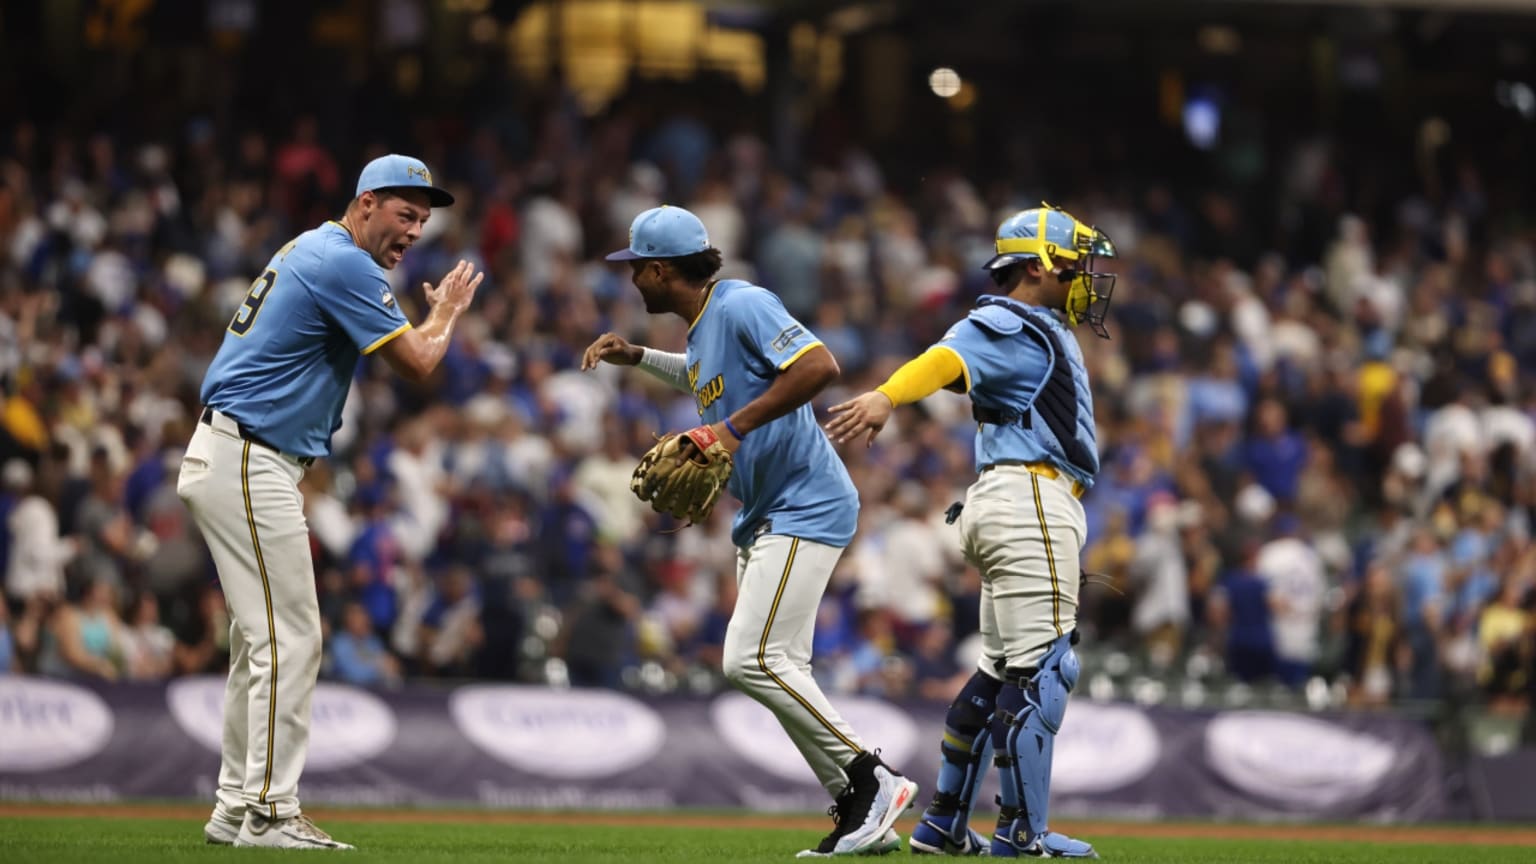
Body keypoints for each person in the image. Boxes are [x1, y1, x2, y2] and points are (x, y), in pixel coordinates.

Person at [582, 205, 917, 857]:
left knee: (750, 660)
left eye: (635, 270)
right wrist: (639, 356)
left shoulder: (739, 304)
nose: (631, 282)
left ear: (657, 269)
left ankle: (874, 778)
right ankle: (860, 810)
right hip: (766, 510)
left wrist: (730, 430)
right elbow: (704, 378)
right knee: (783, 666)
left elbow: (819, 366)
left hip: (805, 501)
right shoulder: (707, 327)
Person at [178, 154, 482, 850]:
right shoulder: (345, 261)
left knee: (257, 642)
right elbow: (419, 363)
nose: (413, 231)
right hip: (249, 457)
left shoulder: (312, 247)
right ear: (366, 202)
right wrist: (446, 313)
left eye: (423, 221)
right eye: (404, 214)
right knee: (293, 638)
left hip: (237, 453)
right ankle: (270, 811)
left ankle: (235, 803)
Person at [826, 204, 1115, 858]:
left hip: (1010, 500)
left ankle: (944, 823)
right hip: (1032, 498)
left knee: (999, 674)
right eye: (1075, 265)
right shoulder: (1006, 318)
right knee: (1044, 673)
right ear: (1040, 267)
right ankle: (1022, 835)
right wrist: (886, 397)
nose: (1086, 279)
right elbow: (946, 358)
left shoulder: (1033, 325)